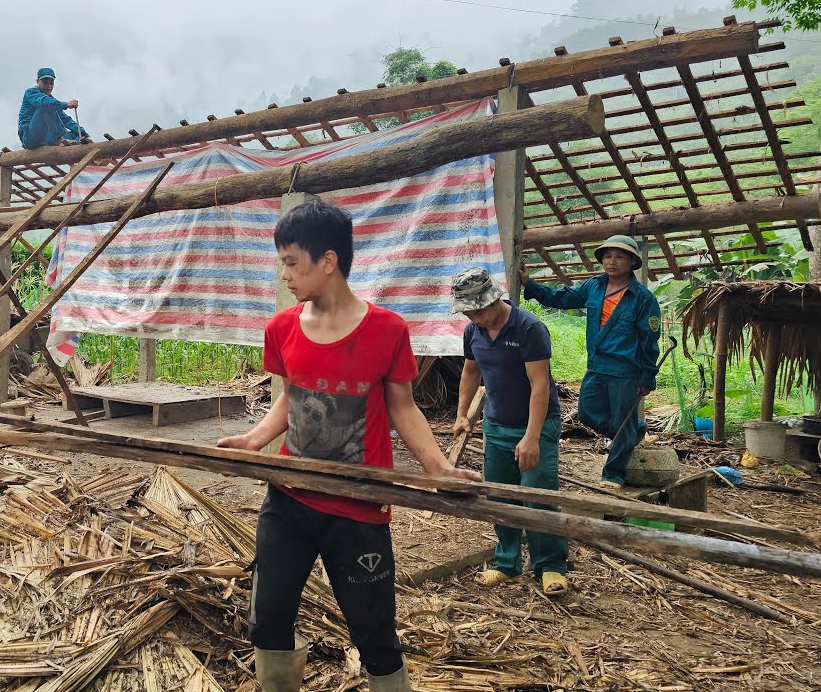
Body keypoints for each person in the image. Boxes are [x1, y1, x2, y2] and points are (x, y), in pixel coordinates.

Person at [217, 197, 481, 692]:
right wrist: (254, 441)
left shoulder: (387, 329)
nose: (285, 275)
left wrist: (438, 468)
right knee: (269, 620)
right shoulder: (281, 328)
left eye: (292, 262)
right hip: (289, 500)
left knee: (374, 635)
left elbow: (404, 408)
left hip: (358, 510)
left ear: (328, 260)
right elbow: (291, 398)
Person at [450, 267, 568, 596]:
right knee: (500, 495)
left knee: (536, 497)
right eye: (468, 312)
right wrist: (463, 415)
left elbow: (540, 385)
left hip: (536, 425)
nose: (474, 317)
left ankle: (551, 565)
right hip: (496, 423)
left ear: (495, 299)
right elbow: (471, 372)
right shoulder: (473, 331)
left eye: (478, 310)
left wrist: (531, 437)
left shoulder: (529, 328)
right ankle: (507, 563)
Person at [522, 235, 661, 490]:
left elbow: (649, 341)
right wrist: (530, 285)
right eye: (607, 256)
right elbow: (562, 299)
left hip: (625, 371)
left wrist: (646, 377)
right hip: (596, 367)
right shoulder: (594, 287)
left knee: (621, 422)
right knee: (586, 413)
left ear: (632, 261)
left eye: (619, 256)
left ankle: (613, 474)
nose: (612, 261)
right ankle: (632, 433)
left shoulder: (642, 298)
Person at [17, 67, 92, 149]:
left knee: (76, 135)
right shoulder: (31, 93)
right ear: (37, 81)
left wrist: (85, 134)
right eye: (45, 83)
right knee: (47, 106)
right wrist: (66, 104)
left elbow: (66, 120)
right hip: (29, 137)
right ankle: (59, 140)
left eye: (51, 83)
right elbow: (46, 103)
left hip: (45, 138)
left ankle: (82, 145)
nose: (49, 86)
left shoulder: (52, 101)